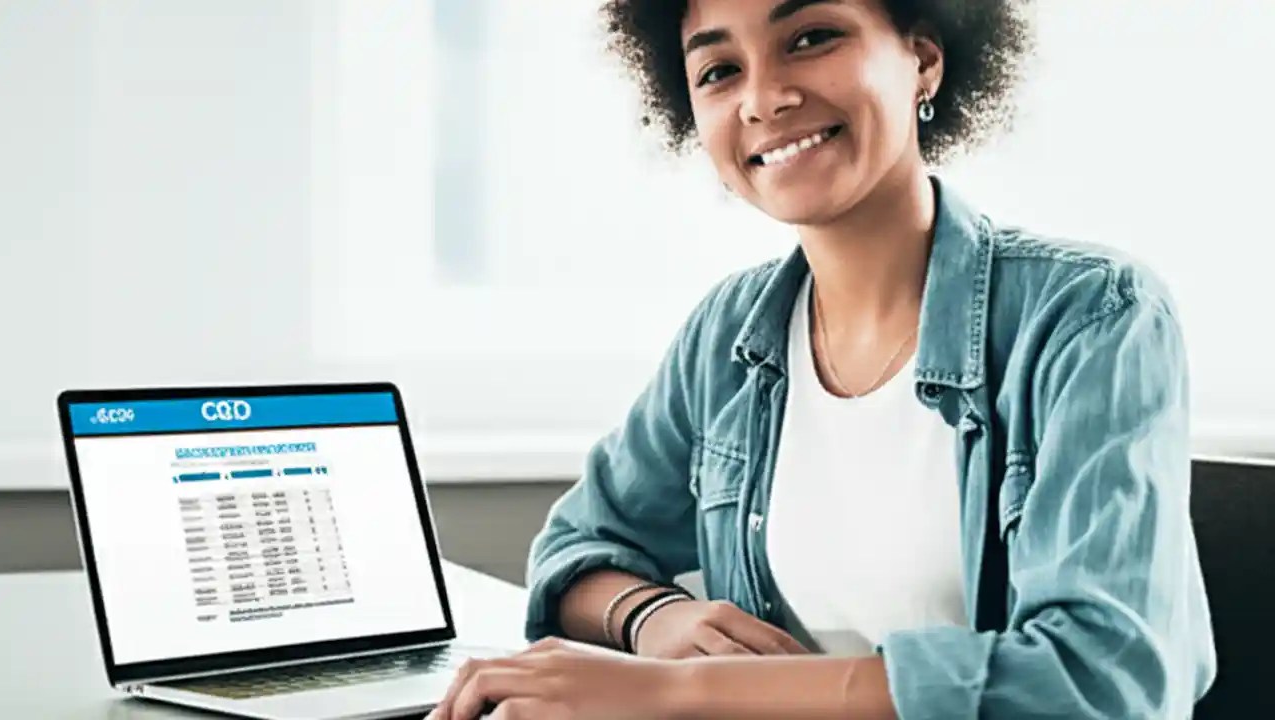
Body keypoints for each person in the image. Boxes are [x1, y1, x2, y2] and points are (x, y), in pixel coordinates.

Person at [429, 0, 1217, 717]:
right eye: (719, 70)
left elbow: (1103, 683)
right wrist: (656, 619)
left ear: (923, 61)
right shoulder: (731, 335)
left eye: (811, 38)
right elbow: (578, 548)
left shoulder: (1090, 315)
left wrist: (688, 692)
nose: (763, 98)